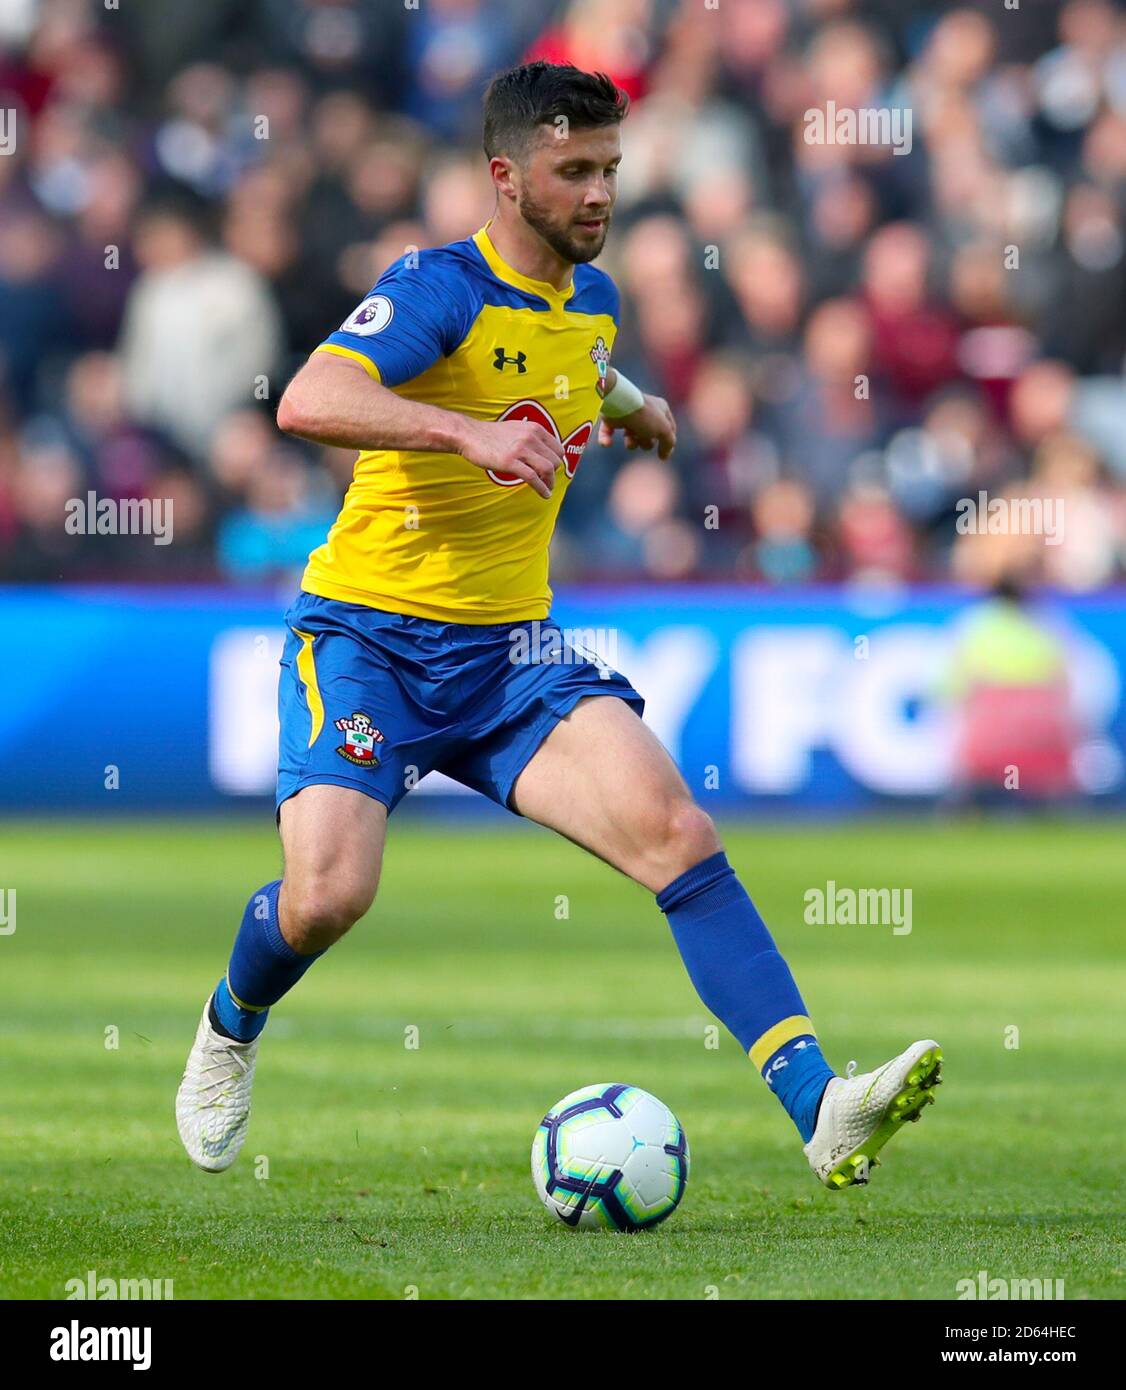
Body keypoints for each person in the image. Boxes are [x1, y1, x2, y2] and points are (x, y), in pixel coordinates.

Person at [175, 62, 941, 1197]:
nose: (598, 193)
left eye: (609, 170)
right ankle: (230, 1026)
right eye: (572, 170)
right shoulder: (434, 286)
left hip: (509, 656)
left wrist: (638, 411)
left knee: (676, 831)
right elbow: (308, 400)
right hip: (369, 641)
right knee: (329, 894)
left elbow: (575, 364)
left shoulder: (590, 303)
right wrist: (463, 436)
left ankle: (819, 1107)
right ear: (504, 177)